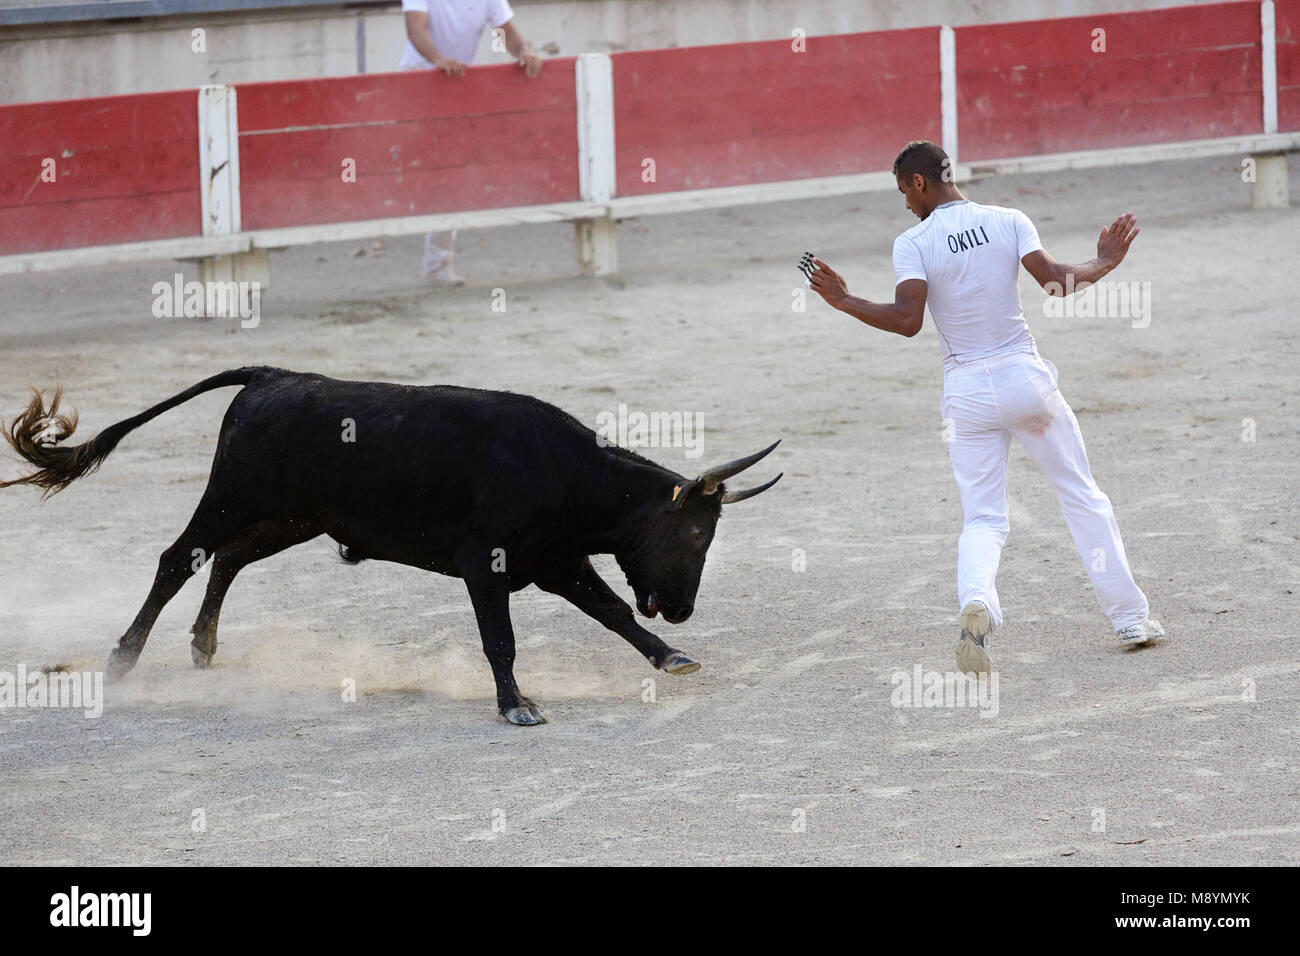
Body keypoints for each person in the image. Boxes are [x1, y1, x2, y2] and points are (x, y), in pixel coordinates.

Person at [805, 139, 1163, 677]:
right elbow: (1055, 283)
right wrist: (1105, 261)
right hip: (1025, 381)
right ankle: (1130, 618)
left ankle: (979, 604)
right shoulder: (1007, 219)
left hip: (967, 395)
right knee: (1082, 497)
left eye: (903, 191)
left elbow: (908, 321)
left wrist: (843, 301)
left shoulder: (913, 241)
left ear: (919, 183)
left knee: (984, 517)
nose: (905, 203)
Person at [399, 0, 544, 284]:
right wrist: (439, 60)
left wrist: (524, 52)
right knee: (423, 175)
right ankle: (435, 261)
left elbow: (505, 31)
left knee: (449, 177)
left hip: (459, 88)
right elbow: (415, 29)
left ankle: (438, 264)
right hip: (415, 86)